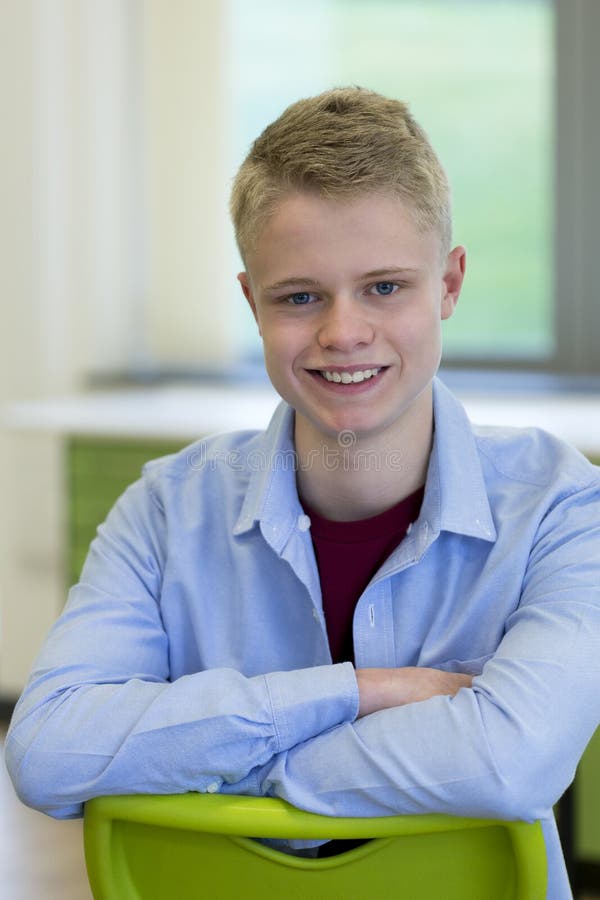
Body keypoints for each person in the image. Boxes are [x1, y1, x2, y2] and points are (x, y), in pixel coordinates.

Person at [5, 87, 600, 899]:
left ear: (450, 285)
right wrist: (363, 692)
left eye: (385, 287)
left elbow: (509, 759)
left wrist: (204, 758)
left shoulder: (565, 510)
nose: (343, 332)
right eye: (300, 296)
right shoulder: (164, 512)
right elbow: (47, 754)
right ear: (254, 302)